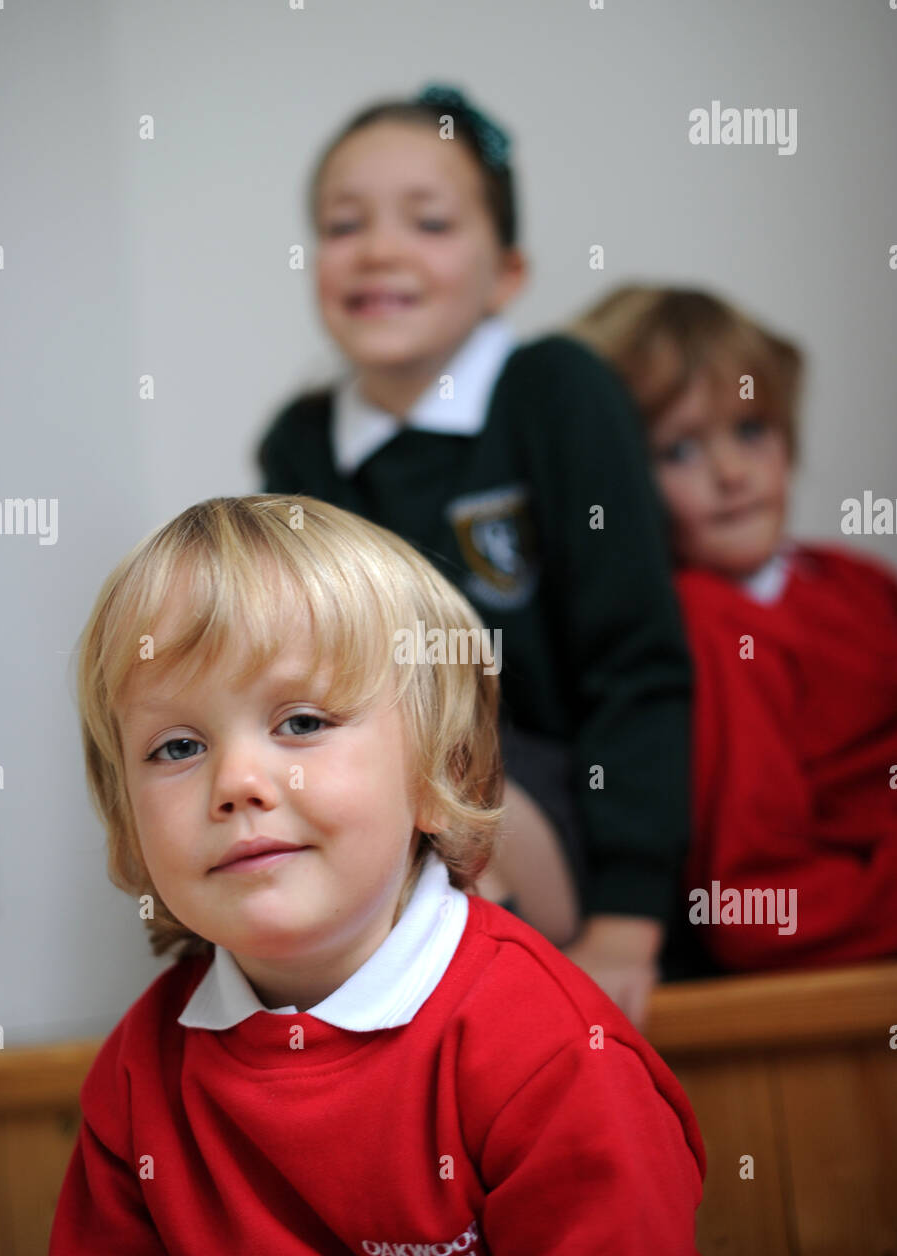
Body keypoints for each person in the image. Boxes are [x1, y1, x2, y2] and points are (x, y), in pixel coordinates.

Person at [46, 495, 729, 1256]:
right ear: (128, 824)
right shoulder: (138, 1073)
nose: (236, 783)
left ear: (441, 773)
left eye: (301, 722)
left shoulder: (546, 1055)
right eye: (179, 746)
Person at [255, 84, 692, 1029]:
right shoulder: (299, 444)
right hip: (384, 783)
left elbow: (637, 662)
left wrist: (628, 916)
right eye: (342, 223)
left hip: (559, 792)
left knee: (447, 813)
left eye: (430, 220)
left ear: (506, 274)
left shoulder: (555, 391)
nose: (378, 247)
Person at [568, 286, 897, 973]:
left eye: (750, 430)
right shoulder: (699, 623)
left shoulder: (853, 580)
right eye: (679, 451)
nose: (730, 473)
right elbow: (752, 905)